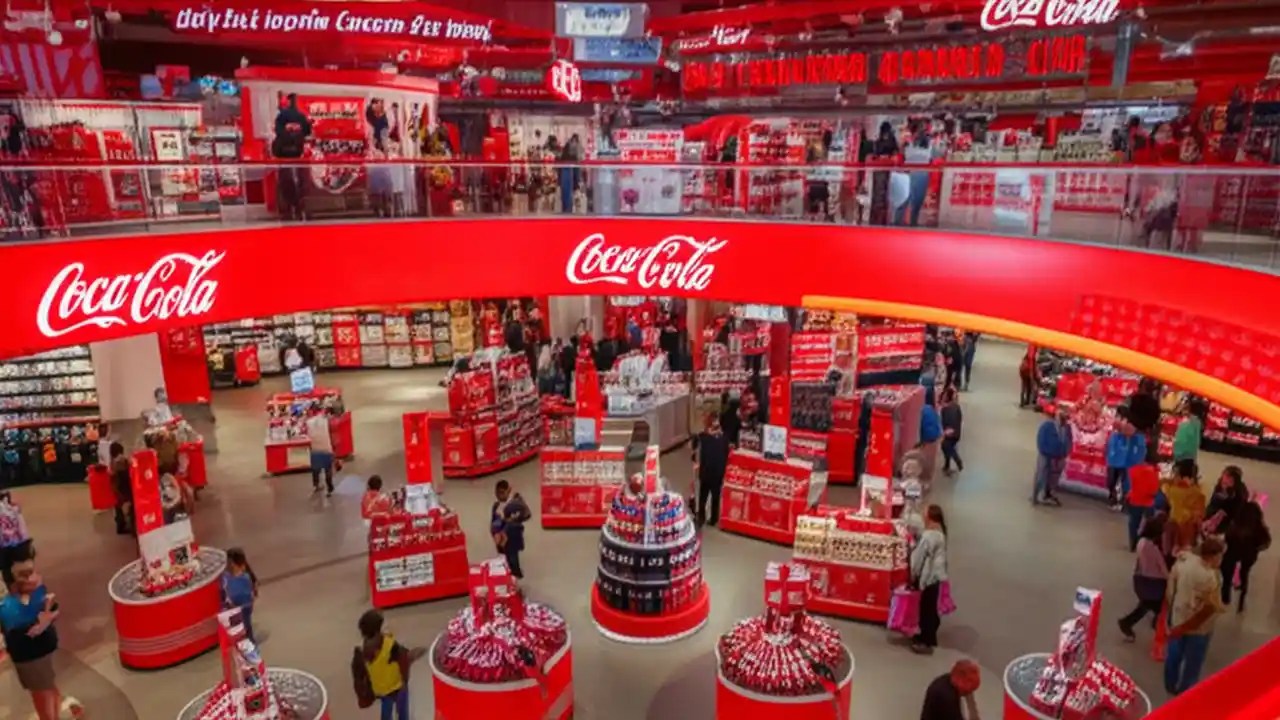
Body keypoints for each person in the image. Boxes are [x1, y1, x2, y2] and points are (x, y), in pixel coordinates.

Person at [1, 542, 80, 720]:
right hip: (29, 659)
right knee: (42, 694)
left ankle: (56, 711)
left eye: (33, 572)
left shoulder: (37, 595)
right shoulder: (9, 608)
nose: (34, 578)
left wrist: (48, 618)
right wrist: (40, 623)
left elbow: (53, 610)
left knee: (48, 687)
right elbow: (19, 631)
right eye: (25, 575)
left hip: (44, 651)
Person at [1164, 538, 1226, 696]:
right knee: (1193, 662)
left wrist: (1173, 616)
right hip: (1199, 628)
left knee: (1174, 655)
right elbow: (1209, 608)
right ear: (1214, 556)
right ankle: (1186, 692)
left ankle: (1170, 684)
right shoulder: (1211, 577)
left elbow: (1171, 589)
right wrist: (1188, 626)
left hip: (1178, 617)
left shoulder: (1184, 561)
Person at [357, 609, 424, 720]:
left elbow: (361, 674)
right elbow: (403, 662)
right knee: (402, 711)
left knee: (386, 710)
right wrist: (405, 681)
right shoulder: (390, 645)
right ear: (378, 630)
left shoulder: (362, 650)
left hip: (381, 689)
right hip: (397, 685)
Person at [1118, 514, 1169, 641]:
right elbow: (1163, 569)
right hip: (1155, 583)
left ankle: (1127, 623)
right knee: (1157, 607)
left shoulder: (1141, 542)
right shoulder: (1153, 549)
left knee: (1146, 606)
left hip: (1141, 579)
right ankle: (1157, 627)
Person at [910, 504, 949, 655]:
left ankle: (926, 641)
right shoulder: (940, 533)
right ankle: (929, 637)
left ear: (929, 517)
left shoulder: (929, 536)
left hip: (928, 577)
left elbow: (919, 558)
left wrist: (914, 573)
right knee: (931, 608)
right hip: (936, 576)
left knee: (926, 610)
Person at [1221, 500, 1269, 612]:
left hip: (1232, 553)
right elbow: (1265, 542)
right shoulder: (1258, 528)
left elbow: (1227, 539)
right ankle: (1242, 597)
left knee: (1227, 573)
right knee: (1244, 573)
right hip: (1249, 555)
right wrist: (1256, 548)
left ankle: (1225, 597)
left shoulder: (1234, 526)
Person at [692, 414, 731, 526]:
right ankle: (714, 518)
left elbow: (694, 444)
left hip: (706, 471)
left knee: (703, 496)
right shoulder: (724, 439)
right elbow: (726, 454)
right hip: (718, 472)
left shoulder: (704, 438)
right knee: (715, 497)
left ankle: (701, 517)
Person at [1163, 459, 1207, 554]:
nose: (1174, 477)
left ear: (1184, 477)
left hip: (1183, 529)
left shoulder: (1174, 490)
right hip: (1182, 529)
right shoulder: (1198, 492)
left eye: (1176, 474)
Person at [490, 480, 531, 579]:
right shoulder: (496, 505)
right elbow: (493, 521)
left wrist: (511, 519)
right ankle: (507, 574)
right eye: (497, 493)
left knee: (512, 557)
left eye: (501, 493)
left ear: (508, 491)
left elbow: (527, 514)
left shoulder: (516, 503)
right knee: (504, 557)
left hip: (512, 535)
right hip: (500, 537)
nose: (499, 496)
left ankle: (516, 574)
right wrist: (494, 533)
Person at [1105, 414, 1146, 511]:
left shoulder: (1138, 438)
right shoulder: (1115, 435)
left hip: (1128, 464)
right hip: (1114, 462)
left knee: (1125, 484)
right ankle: (1113, 498)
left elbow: (1141, 451)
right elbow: (1109, 447)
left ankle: (1122, 501)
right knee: (1111, 481)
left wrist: (1137, 462)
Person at [1033, 409, 1072, 506]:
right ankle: (1036, 495)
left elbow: (1069, 440)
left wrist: (1065, 452)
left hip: (1059, 456)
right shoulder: (1047, 426)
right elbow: (1040, 440)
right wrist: (1046, 451)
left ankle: (1048, 494)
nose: (1064, 419)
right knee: (1041, 474)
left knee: (1054, 477)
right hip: (1046, 455)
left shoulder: (1067, 428)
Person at [221, 547, 259, 643]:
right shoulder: (229, 576)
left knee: (245, 625)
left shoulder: (243, 577)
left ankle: (249, 642)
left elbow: (247, 593)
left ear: (232, 563)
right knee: (243, 626)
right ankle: (248, 641)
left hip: (242, 607)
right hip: (239, 607)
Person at [1125, 461, 1160, 551]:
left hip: (1135, 499)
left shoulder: (1133, 469)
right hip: (1148, 502)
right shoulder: (1154, 471)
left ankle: (1133, 543)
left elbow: (1128, 485)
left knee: (1133, 522)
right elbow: (1154, 490)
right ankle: (1145, 543)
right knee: (1149, 524)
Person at [1204, 465, 1248, 536]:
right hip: (1213, 516)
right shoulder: (1219, 488)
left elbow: (1234, 513)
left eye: (1229, 480)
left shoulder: (1239, 494)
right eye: (1224, 479)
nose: (1225, 482)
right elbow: (1212, 505)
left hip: (1226, 521)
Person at [306, 410, 335, 497]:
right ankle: (329, 489)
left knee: (315, 470)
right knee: (328, 470)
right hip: (326, 448)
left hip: (315, 449)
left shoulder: (308, 422)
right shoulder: (327, 421)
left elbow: (307, 434)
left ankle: (316, 485)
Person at [108, 441, 133, 535]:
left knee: (118, 507)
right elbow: (125, 473)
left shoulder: (112, 461)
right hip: (122, 487)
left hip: (116, 487)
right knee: (129, 505)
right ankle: (126, 525)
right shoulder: (120, 460)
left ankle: (120, 525)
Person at [1172, 399, 1205, 464]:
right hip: (1188, 453)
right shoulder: (1196, 422)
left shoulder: (1187, 423)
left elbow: (1180, 439)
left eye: (1186, 409)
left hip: (1184, 452)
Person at [939, 388, 963, 475]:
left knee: (946, 446)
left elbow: (949, 421)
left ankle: (957, 461)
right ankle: (947, 466)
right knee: (946, 447)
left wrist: (948, 430)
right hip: (955, 432)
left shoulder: (947, 409)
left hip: (951, 433)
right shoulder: (955, 407)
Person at [918, 401, 943, 483]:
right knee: (930, 458)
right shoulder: (931, 409)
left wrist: (921, 440)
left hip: (927, 437)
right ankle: (928, 478)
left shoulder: (922, 410)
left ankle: (925, 477)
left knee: (925, 457)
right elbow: (937, 421)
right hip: (934, 436)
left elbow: (921, 426)